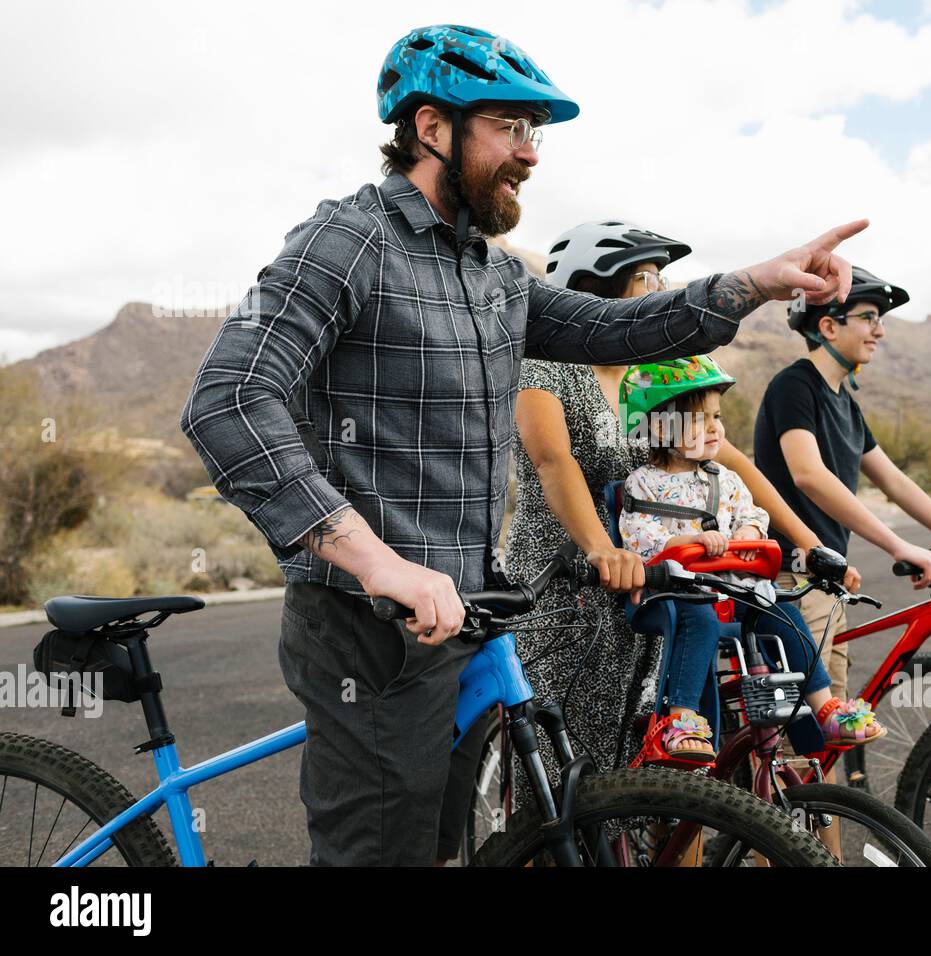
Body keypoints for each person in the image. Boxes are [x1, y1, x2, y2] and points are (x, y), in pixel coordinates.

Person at [180, 23, 869, 865]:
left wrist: (754, 283)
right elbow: (229, 399)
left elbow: (624, 326)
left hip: (467, 609)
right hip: (367, 621)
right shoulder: (351, 239)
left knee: (460, 843)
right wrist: (372, 559)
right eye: (510, 126)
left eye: (531, 131)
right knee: (381, 853)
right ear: (432, 128)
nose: (531, 153)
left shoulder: (495, 274)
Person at [452, 221, 844, 832]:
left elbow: (731, 459)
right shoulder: (543, 368)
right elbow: (554, 462)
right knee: (564, 777)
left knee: (647, 773)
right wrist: (602, 548)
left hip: (649, 583)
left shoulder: (653, 378)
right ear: (593, 287)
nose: (661, 289)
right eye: (647, 278)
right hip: (567, 586)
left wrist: (809, 542)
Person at [753, 266, 931, 707]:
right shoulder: (793, 386)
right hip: (793, 582)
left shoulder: (845, 402)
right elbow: (807, 474)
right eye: (869, 317)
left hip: (826, 586)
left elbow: (896, 483)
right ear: (829, 325)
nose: (880, 331)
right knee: (799, 743)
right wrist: (896, 545)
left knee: (831, 734)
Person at [617, 356, 884, 761]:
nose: (713, 428)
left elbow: (751, 512)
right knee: (698, 617)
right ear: (658, 428)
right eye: (697, 419)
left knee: (778, 607)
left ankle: (823, 704)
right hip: (675, 592)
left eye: (717, 416)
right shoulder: (644, 483)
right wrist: (689, 540)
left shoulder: (725, 478)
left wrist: (749, 532)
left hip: (730, 587)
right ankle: (680, 719)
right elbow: (639, 537)